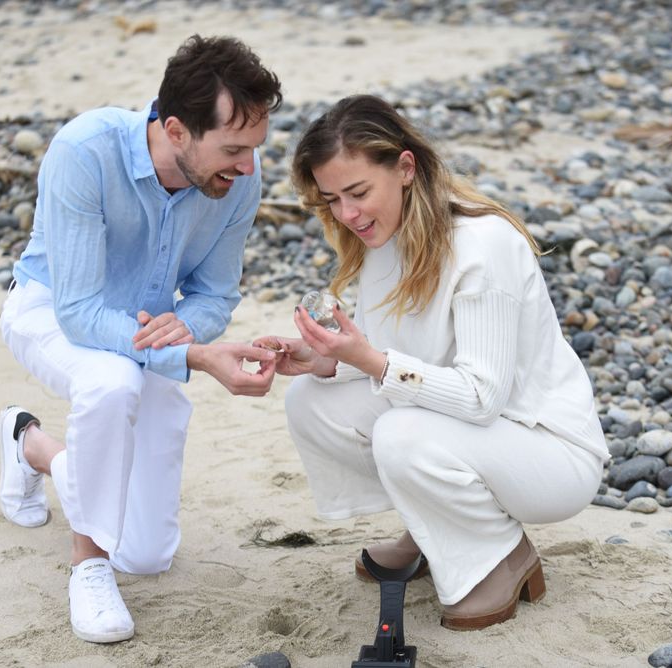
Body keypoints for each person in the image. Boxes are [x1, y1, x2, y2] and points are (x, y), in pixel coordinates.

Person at [255, 95, 610, 631]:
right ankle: (435, 525)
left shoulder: (482, 245)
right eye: (331, 200)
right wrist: (327, 360)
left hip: (549, 450)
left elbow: (480, 397)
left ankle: (501, 555)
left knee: (401, 433)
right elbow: (395, 353)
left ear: (404, 167)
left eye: (357, 193)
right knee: (311, 402)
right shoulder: (385, 237)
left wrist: (368, 360)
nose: (347, 215)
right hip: (477, 434)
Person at [0, 34, 282, 643]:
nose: (249, 166)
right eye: (233, 149)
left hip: (152, 331)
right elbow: (77, 311)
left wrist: (192, 328)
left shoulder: (238, 181)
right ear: (176, 130)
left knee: (148, 554)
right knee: (111, 380)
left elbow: (215, 295)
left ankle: (30, 446)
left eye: (254, 147)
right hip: (50, 308)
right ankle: (88, 565)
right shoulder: (84, 150)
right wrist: (193, 353)